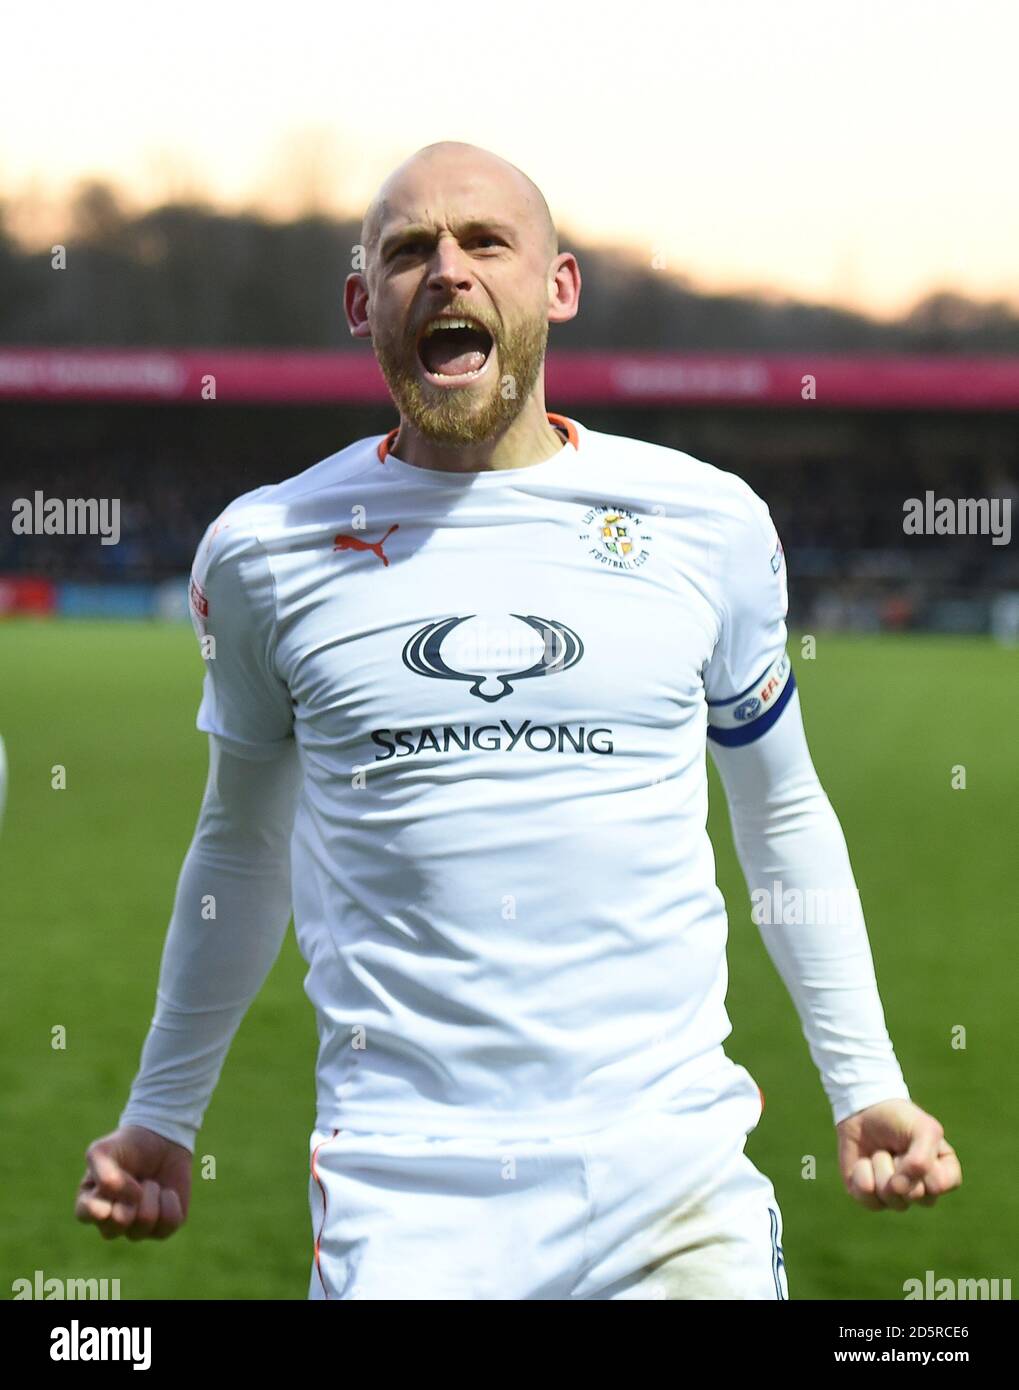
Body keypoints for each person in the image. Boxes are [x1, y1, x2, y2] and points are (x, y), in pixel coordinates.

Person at [76, 142, 961, 1299]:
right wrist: (161, 1111)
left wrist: (865, 1082)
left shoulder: (707, 522)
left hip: (675, 1185)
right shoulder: (266, 549)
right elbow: (240, 845)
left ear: (559, 287)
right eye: (407, 252)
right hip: (404, 1205)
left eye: (485, 242)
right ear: (361, 305)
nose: (446, 270)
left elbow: (782, 810)